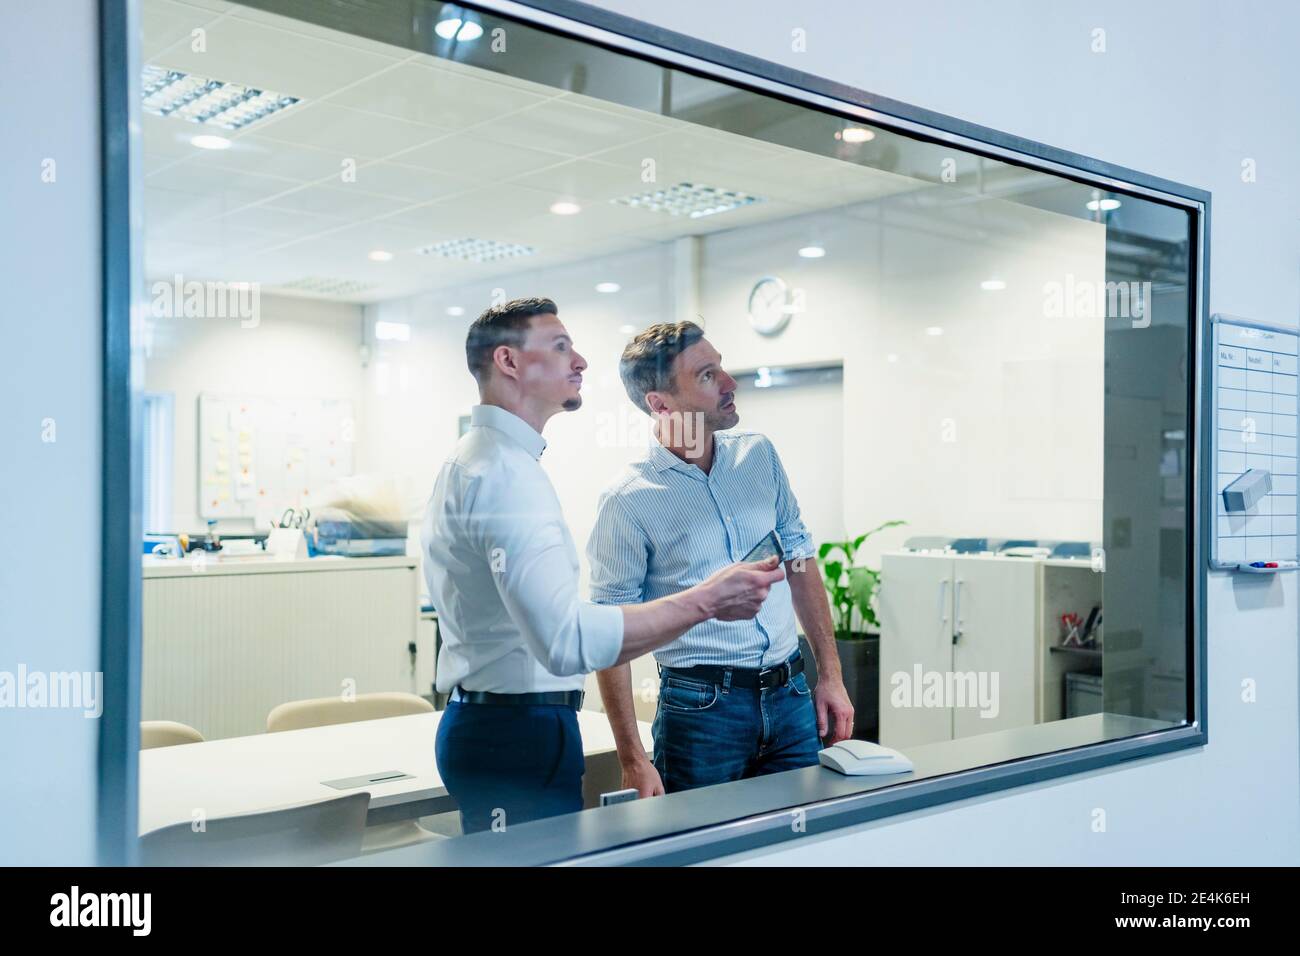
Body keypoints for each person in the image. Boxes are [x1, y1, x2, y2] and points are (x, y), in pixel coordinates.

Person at [422, 299, 784, 833]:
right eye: (561, 346)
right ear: (509, 362)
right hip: (516, 727)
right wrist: (706, 600)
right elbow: (566, 642)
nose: (582, 361)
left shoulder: (485, 459)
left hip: (504, 722)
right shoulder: (503, 474)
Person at [587, 320, 854, 796]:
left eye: (721, 367)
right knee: (703, 850)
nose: (731, 384)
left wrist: (830, 677)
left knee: (801, 848)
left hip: (791, 694)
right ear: (660, 403)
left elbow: (799, 560)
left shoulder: (759, 457)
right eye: (708, 376)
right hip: (702, 712)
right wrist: (633, 758)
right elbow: (611, 634)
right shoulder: (627, 501)